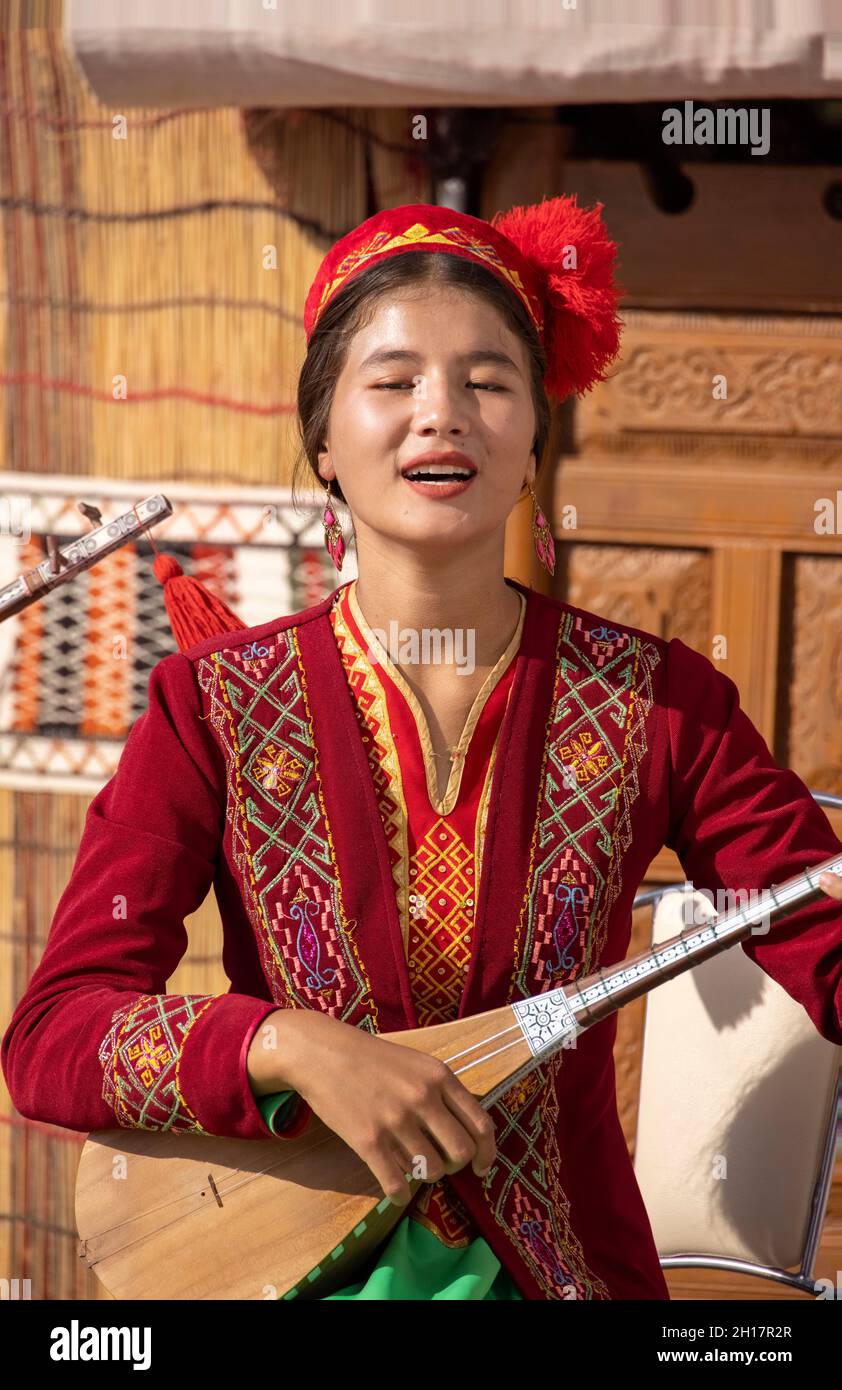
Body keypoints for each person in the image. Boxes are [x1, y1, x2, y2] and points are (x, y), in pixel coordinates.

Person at [3, 199, 842, 1303]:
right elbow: (57, 1035)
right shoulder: (213, 707)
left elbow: (819, 933)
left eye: (488, 382)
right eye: (392, 383)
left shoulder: (659, 704)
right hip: (292, 1269)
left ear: (533, 445)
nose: (439, 414)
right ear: (323, 443)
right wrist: (290, 1044)